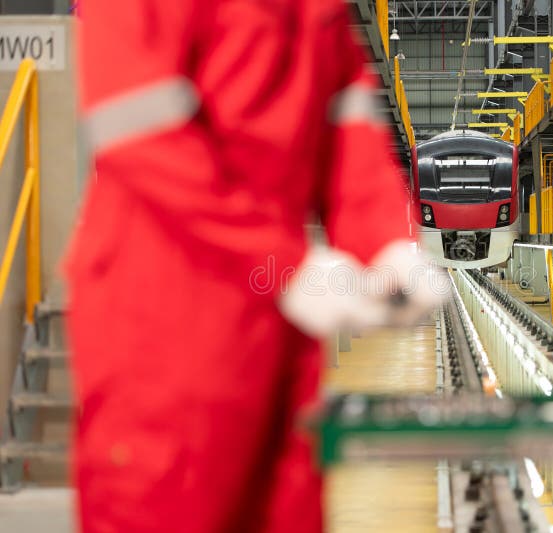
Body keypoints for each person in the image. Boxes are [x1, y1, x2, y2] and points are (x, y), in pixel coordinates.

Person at [65, 1, 443, 532]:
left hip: (279, 335)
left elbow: (345, 120)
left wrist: (387, 243)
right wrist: (285, 264)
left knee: (284, 508)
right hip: (166, 325)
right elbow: (141, 131)